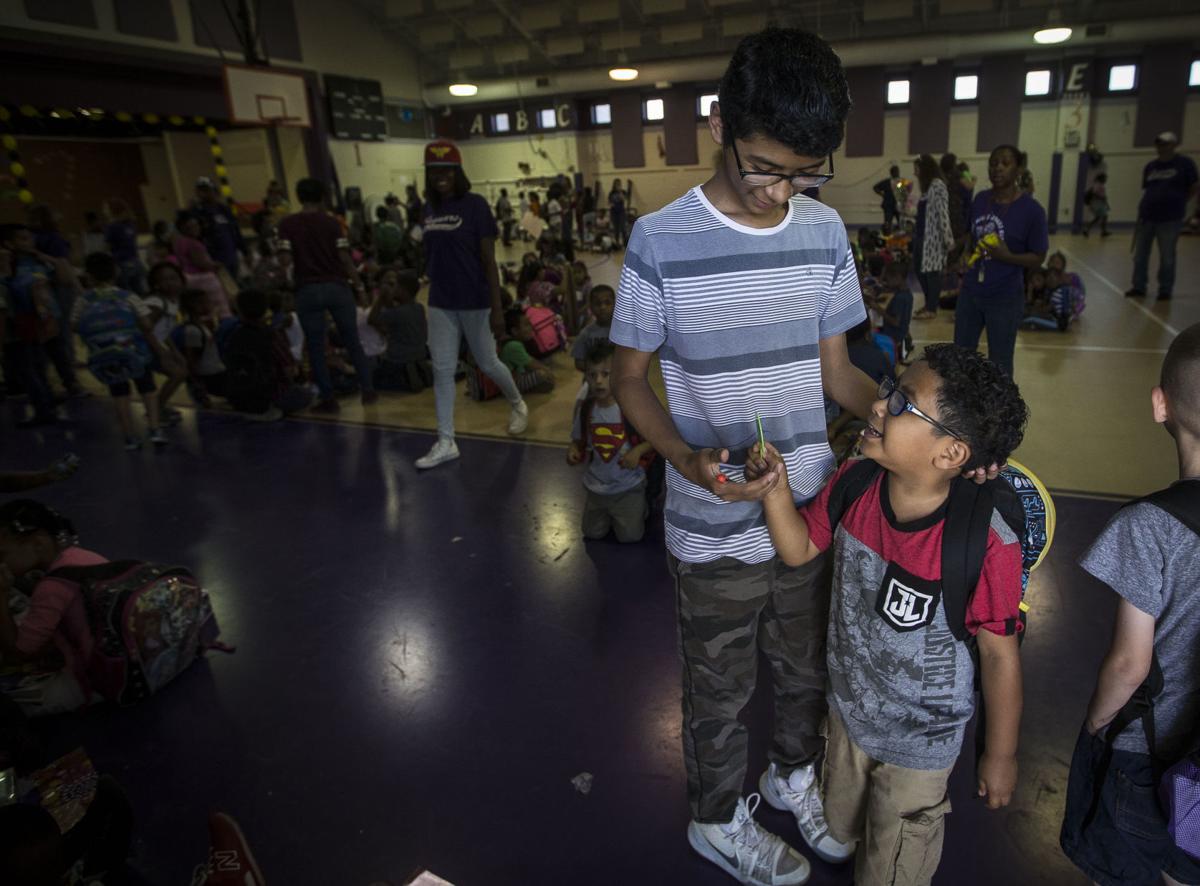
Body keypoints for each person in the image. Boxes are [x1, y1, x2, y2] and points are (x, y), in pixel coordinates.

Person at [611, 27, 878, 885]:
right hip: (713, 522)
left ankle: (793, 776)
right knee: (720, 692)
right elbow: (628, 382)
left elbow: (840, 374)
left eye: (805, 173)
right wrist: (686, 462)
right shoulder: (660, 241)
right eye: (766, 167)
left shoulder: (827, 232)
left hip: (808, 515)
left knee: (806, 672)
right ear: (720, 124)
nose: (781, 194)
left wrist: (922, 426)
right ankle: (715, 818)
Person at [751, 344, 1028, 886]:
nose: (878, 405)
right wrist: (775, 491)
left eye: (902, 403)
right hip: (850, 715)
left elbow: (999, 656)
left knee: (892, 866)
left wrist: (1002, 754)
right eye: (888, 388)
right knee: (847, 828)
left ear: (950, 454)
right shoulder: (855, 482)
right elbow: (799, 547)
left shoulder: (986, 540)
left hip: (920, 743)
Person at [1060, 321, 1200, 886]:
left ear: (1160, 405)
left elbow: (1130, 664)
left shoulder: (1150, 527)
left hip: (1150, 750)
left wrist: (1097, 726)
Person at [414, 140, 528, 470]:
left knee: (488, 362)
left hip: (476, 300)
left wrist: (497, 308)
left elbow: (489, 261)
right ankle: (446, 440)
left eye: (446, 170)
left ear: (457, 171)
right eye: (434, 171)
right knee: (442, 370)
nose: (440, 177)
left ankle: (518, 404)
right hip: (440, 302)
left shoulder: (475, 205)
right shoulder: (428, 209)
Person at [276, 178, 377, 413]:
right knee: (352, 340)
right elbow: (344, 258)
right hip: (337, 287)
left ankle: (328, 398)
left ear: (299, 197)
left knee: (315, 346)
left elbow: (284, 260)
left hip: (307, 289)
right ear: (322, 197)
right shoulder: (333, 223)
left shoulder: (287, 224)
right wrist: (360, 288)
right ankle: (368, 390)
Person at [0, 499, 104, 716]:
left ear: (38, 544)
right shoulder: (81, 555)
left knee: (11, 703)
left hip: (92, 684)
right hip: (113, 655)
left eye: (2, 555)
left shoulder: (52, 587)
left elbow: (19, 652)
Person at [953, 144, 1048, 378]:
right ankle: (962, 409)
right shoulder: (981, 199)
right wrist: (965, 255)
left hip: (1005, 297)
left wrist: (1008, 257)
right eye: (993, 163)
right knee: (961, 357)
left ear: (1019, 169)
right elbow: (971, 238)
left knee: (1000, 363)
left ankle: (1000, 414)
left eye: (1005, 163)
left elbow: (1038, 257)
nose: (998, 168)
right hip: (971, 292)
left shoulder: (1032, 211)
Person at [74, 253, 168, 450]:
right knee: (148, 390)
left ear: (88, 276)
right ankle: (155, 429)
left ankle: (130, 437)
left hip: (105, 356)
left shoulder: (84, 300)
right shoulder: (128, 297)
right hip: (136, 353)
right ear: (115, 272)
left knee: (119, 394)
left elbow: (74, 325)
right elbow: (146, 324)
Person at [567, 341, 653, 543]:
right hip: (596, 487)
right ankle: (615, 513)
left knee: (630, 538)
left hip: (628, 486)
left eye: (606, 374)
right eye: (592, 375)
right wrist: (573, 450)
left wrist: (638, 450)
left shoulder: (631, 407)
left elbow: (655, 440)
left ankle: (642, 506)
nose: (598, 381)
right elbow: (577, 441)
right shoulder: (586, 409)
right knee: (591, 533)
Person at [1126, 132, 1198, 302]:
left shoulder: (1185, 164)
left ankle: (1165, 289)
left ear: (1173, 145)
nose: (1161, 147)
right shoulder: (1151, 166)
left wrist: (1180, 202)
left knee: (1167, 256)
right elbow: (1148, 189)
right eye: (1158, 144)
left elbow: (1194, 186)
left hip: (1170, 218)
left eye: (1165, 144)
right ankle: (1138, 286)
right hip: (1147, 216)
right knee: (1140, 255)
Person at [224, 289, 312, 419]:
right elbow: (289, 371)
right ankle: (269, 408)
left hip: (238, 398)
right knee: (308, 393)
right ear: (265, 308)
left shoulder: (233, 335)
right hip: (269, 395)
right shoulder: (271, 335)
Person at [138, 262, 189, 424]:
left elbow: (163, 330)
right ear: (156, 285)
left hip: (153, 346)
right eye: (164, 280)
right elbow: (145, 329)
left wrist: (174, 351)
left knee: (180, 372)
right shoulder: (156, 303)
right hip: (143, 347)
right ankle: (156, 409)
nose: (170, 283)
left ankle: (157, 407)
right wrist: (161, 352)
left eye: (173, 278)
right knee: (177, 373)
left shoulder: (172, 301)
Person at [369, 268, 429, 392]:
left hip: (398, 363)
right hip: (419, 359)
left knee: (372, 374)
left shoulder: (397, 313)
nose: (392, 288)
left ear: (402, 291)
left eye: (394, 285)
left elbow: (372, 320)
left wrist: (380, 298)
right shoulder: (419, 308)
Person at [912, 154, 953, 321]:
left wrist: (948, 239)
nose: (915, 173)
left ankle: (932, 308)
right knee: (920, 270)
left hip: (933, 239)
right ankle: (930, 303)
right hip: (921, 236)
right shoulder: (927, 188)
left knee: (932, 274)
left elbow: (943, 213)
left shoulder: (937, 185)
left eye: (916, 169)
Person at [174, 288, 227, 407]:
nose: (209, 304)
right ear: (195, 305)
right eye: (205, 301)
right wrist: (197, 385)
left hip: (215, 373)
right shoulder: (192, 330)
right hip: (210, 377)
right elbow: (191, 360)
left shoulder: (202, 325)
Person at [174, 212, 232, 319]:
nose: (197, 228)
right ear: (184, 228)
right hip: (202, 278)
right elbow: (202, 263)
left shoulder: (179, 242)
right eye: (193, 226)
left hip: (187, 276)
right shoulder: (193, 243)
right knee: (218, 308)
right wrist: (217, 265)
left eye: (197, 225)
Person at [191, 177, 246, 280]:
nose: (204, 194)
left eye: (207, 190)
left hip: (231, 256)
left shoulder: (224, 209)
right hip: (214, 258)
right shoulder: (198, 212)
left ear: (214, 191)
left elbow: (235, 230)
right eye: (201, 190)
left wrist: (244, 250)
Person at [500, 309, 556, 395]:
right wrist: (548, 372)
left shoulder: (515, 342)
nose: (531, 327)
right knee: (542, 373)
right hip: (512, 383)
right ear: (515, 331)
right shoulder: (513, 345)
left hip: (519, 375)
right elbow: (531, 363)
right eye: (526, 325)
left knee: (546, 364)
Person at [872, 260, 913, 360]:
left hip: (894, 335)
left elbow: (895, 322)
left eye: (888, 278)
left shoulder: (900, 298)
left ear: (898, 277)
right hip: (901, 333)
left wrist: (877, 308)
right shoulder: (907, 293)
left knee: (868, 336)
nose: (887, 281)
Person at [104, 199, 146, 295]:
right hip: (134, 261)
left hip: (121, 263)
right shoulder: (130, 224)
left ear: (112, 210)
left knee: (126, 294)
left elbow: (107, 247)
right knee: (140, 292)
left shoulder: (112, 227)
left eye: (106, 209)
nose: (104, 212)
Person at [572, 284, 614, 372]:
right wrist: (596, 369)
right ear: (590, 307)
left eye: (607, 303)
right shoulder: (585, 334)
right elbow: (578, 362)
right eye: (598, 304)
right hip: (595, 380)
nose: (603, 307)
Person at [872, 165, 901, 232]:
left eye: (897, 172)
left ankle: (900, 236)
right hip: (888, 206)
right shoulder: (887, 182)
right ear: (892, 173)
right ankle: (887, 235)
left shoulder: (900, 182)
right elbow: (875, 187)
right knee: (887, 223)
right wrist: (882, 194)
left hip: (898, 206)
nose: (897, 173)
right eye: (895, 172)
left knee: (901, 223)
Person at [1083, 173, 1111, 238]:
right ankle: (1103, 231)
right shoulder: (1098, 185)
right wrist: (1101, 198)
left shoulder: (1100, 185)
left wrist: (1106, 203)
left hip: (1098, 203)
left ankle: (1087, 230)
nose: (1105, 180)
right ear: (1101, 178)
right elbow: (1095, 193)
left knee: (1098, 218)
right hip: (1096, 204)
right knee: (1104, 216)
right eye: (1104, 178)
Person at [609, 179, 632, 248]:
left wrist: (620, 192)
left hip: (621, 212)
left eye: (619, 184)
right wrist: (611, 204)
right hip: (614, 212)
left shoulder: (622, 192)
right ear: (614, 185)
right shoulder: (612, 193)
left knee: (623, 228)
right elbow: (610, 201)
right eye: (616, 184)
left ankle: (625, 244)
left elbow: (624, 198)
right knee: (616, 229)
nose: (618, 185)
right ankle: (617, 243)